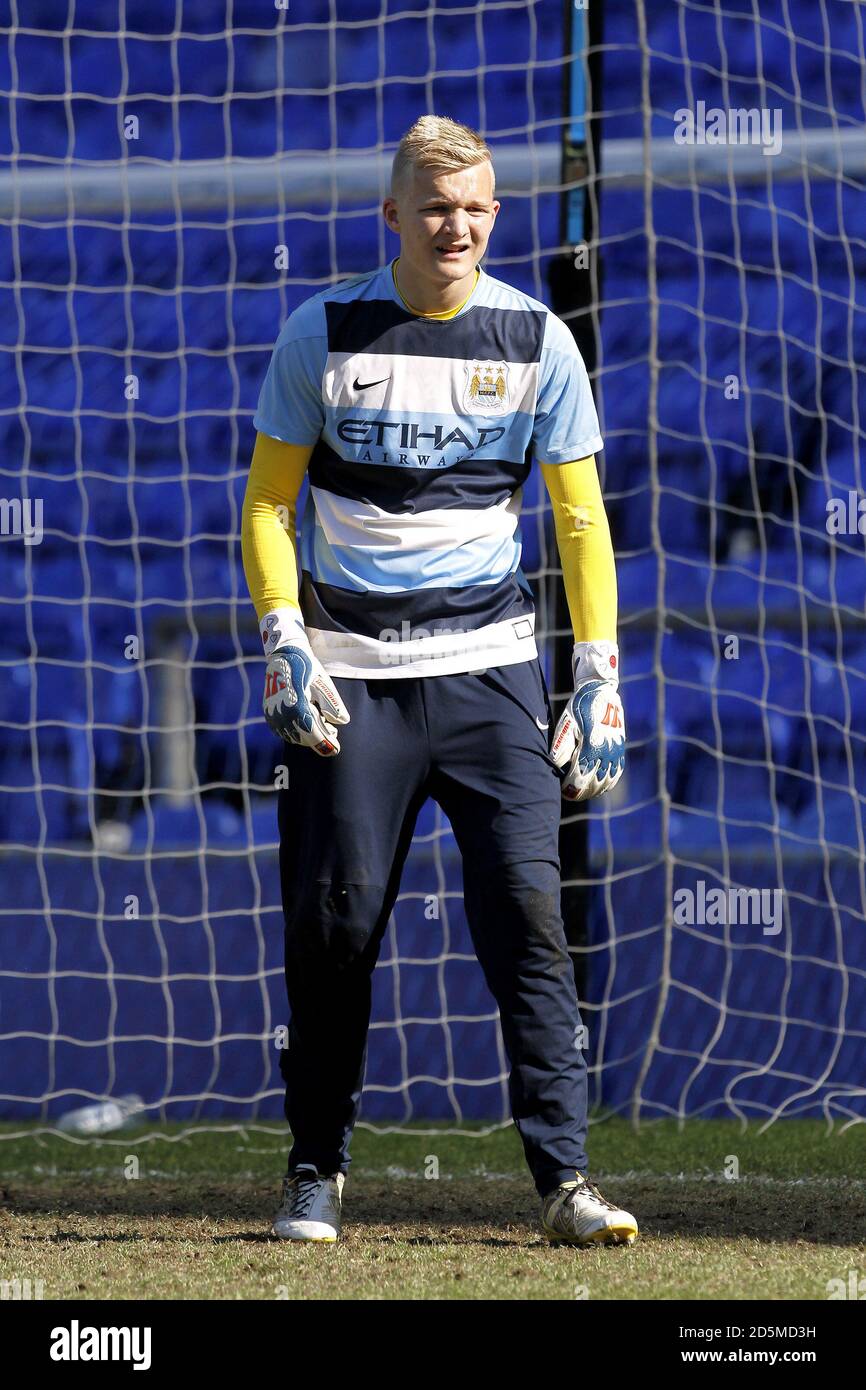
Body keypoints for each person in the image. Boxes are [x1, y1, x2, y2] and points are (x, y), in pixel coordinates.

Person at [241, 114, 637, 1248]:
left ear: (493, 216)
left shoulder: (536, 338)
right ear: (392, 216)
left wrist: (596, 671)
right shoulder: (320, 332)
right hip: (351, 679)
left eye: (471, 208)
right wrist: (283, 636)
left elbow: (576, 519)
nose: (452, 226)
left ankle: (564, 1183)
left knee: (526, 917)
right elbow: (268, 505)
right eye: (431, 208)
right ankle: (313, 1174)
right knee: (336, 925)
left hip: (490, 675)